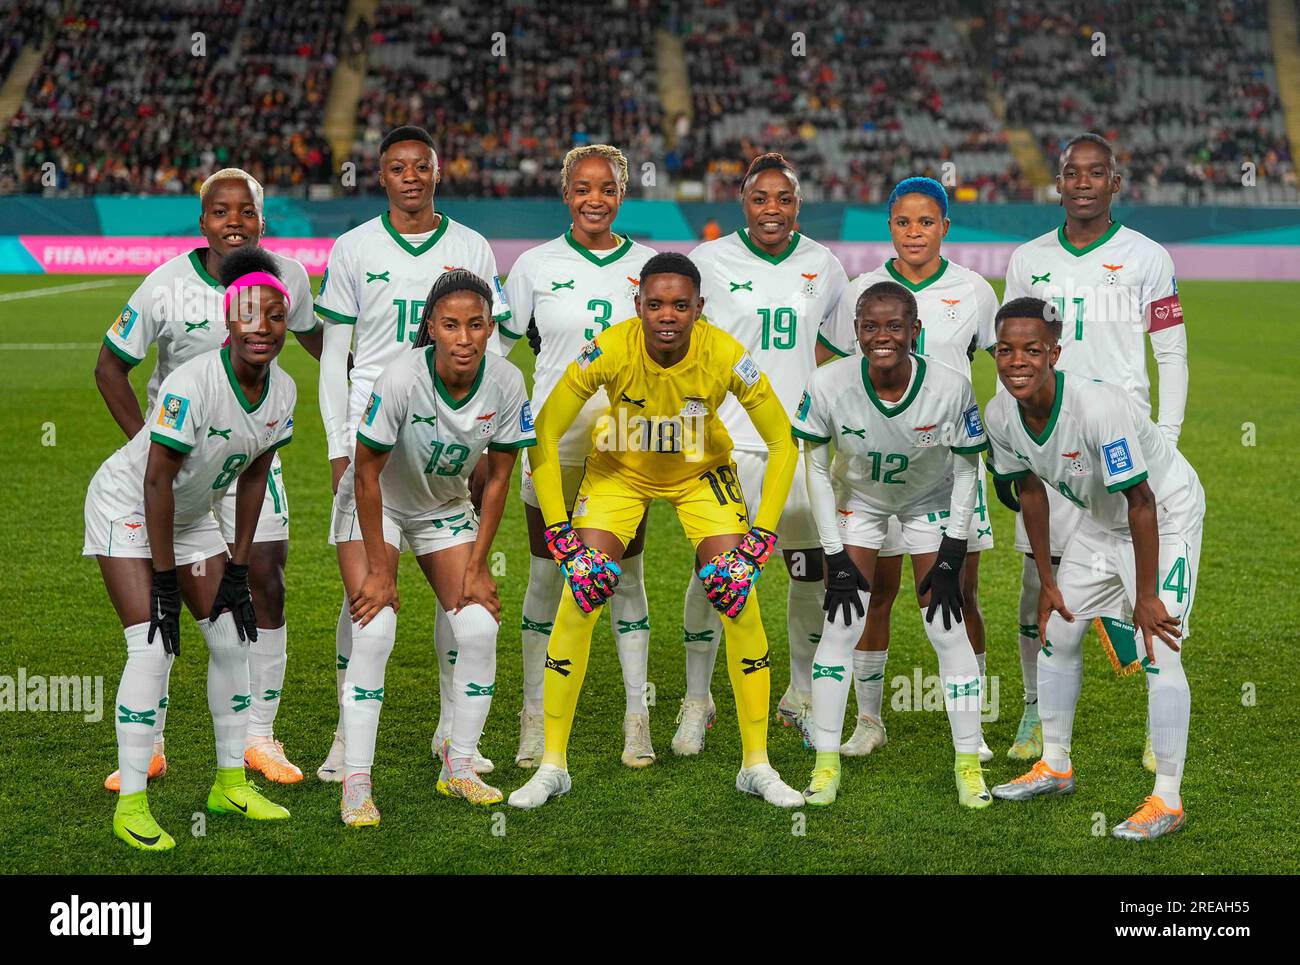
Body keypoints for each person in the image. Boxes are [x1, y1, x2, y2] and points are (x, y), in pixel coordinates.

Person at [508, 252, 804, 810]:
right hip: (619, 470)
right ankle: (552, 765)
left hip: (701, 473)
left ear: (699, 309)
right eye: (655, 304)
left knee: (734, 589)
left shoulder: (725, 354)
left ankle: (756, 765)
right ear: (637, 305)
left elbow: (784, 441)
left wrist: (762, 535)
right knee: (586, 585)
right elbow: (543, 434)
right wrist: (560, 534)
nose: (667, 315)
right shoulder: (610, 348)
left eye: (680, 305)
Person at [94, 168, 322, 788]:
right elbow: (110, 367)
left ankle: (259, 737)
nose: (234, 223)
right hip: (175, 467)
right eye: (221, 212)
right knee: (158, 606)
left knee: (263, 578)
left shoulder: (287, 278)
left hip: (246, 454)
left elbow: (321, 347)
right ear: (203, 222)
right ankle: (153, 741)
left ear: (261, 220)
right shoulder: (164, 285)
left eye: (246, 212)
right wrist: (151, 447)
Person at [85, 247, 298, 850]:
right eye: (251, 315)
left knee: (233, 639)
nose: (264, 327)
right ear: (230, 321)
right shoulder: (191, 382)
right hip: (129, 508)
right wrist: (162, 580)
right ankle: (131, 804)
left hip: (191, 516)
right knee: (151, 644)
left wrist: (235, 563)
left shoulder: (282, 394)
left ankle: (229, 783)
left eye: (276, 316)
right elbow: (155, 480)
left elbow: (255, 474)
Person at [316, 125, 510, 781]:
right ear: (382, 175)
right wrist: (338, 443)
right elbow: (333, 357)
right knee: (364, 598)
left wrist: (484, 435)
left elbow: (496, 346)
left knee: (455, 598)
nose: (411, 177)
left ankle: (453, 732)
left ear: (436, 171)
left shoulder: (471, 247)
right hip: (375, 440)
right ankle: (347, 737)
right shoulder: (353, 248)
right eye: (397, 167)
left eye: (421, 166)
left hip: (452, 439)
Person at [999, 133, 1189, 767]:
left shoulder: (1147, 256)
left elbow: (1171, 351)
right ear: (1058, 184)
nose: (1082, 182)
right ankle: (1035, 714)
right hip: (1054, 444)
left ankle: (1154, 720)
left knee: (1143, 579)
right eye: (1071, 173)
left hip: (1121, 438)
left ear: (1116, 182)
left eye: (1095, 173)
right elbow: (1015, 345)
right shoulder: (1028, 258)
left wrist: (1171, 433)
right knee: (1042, 587)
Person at [985, 297, 1202, 841]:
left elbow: (1143, 501)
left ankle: (1168, 800)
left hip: (1164, 515)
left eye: (1032, 350)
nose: (1018, 361)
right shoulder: (999, 414)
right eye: (1006, 350)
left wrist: (1146, 597)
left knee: (1161, 646)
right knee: (1058, 629)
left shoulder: (1098, 408)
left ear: (1054, 352)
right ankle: (1055, 766)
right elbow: (1029, 490)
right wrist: (1049, 579)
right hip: (1102, 522)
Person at [332, 270, 532, 825]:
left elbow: (497, 478)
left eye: (475, 325)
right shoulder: (400, 378)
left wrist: (477, 565)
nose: (464, 337)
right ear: (431, 329)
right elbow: (366, 474)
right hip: (375, 505)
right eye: (450, 325)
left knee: (480, 625)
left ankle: (459, 765)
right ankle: (356, 781)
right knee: (376, 629)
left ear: (491, 327)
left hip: (442, 507)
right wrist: (378, 568)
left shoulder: (509, 382)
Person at [676, 152, 849, 756]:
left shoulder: (823, 265)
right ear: (742, 203)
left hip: (797, 450)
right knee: (713, 576)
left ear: (797, 204)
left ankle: (798, 696)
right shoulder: (709, 261)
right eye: (759, 199)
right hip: (726, 448)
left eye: (784, 199)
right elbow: (682, 347)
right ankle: (697, 700)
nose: (771, 210)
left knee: (808, 573)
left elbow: (835, 349)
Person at [795, 281, 991, 809]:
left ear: (915, 331)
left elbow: (971, 469)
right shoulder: (828, 382)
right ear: (856, 331)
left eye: (894, 326)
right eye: (870, 326)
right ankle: (826, 763)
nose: (883, 336)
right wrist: (833, 552)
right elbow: (814, 467)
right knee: (841, 624)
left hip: (931, 499)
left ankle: (969, 763)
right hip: (859, 500)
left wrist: (952, 549)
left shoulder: (950, 386)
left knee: (946, 626)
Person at [827, 176, 998, 761]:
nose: (914, 232)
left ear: (945, 227)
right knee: (873, 593)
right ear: (890, 227)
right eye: (903, 222)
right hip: (871, 472)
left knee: (960, 592)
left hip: (947, 475)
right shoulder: (861, 291)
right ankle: (868, 719)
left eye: (926, 222)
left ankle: (975, 719)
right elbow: (830, 361)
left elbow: (1000, 364)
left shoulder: (974, 290)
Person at [502, 144, 658, 770]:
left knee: (625, 581)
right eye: (582, 188)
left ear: (622, 193)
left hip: (626, 449)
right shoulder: (534, 266)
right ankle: (533, 720)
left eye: (607, 188)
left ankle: (636, 718)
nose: (595, 199)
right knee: (545, 577)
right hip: (552, 447)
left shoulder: (647, 266)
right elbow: (499, 351)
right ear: (566, 194)